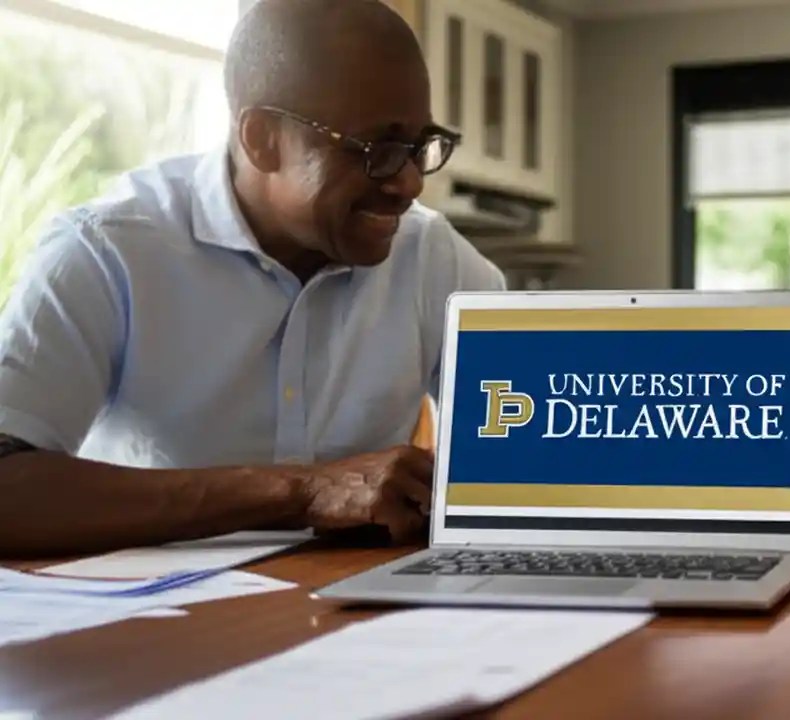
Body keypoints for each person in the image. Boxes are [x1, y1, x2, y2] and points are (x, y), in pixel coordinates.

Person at [0, 0, 504, 557]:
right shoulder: (106, 251)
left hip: (351, 607)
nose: (410, 183)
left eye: (417, 147)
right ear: (263, 139)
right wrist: (300, 491)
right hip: (151, 622)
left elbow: (544, 448)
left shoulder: (433, 257)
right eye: (378, 151)